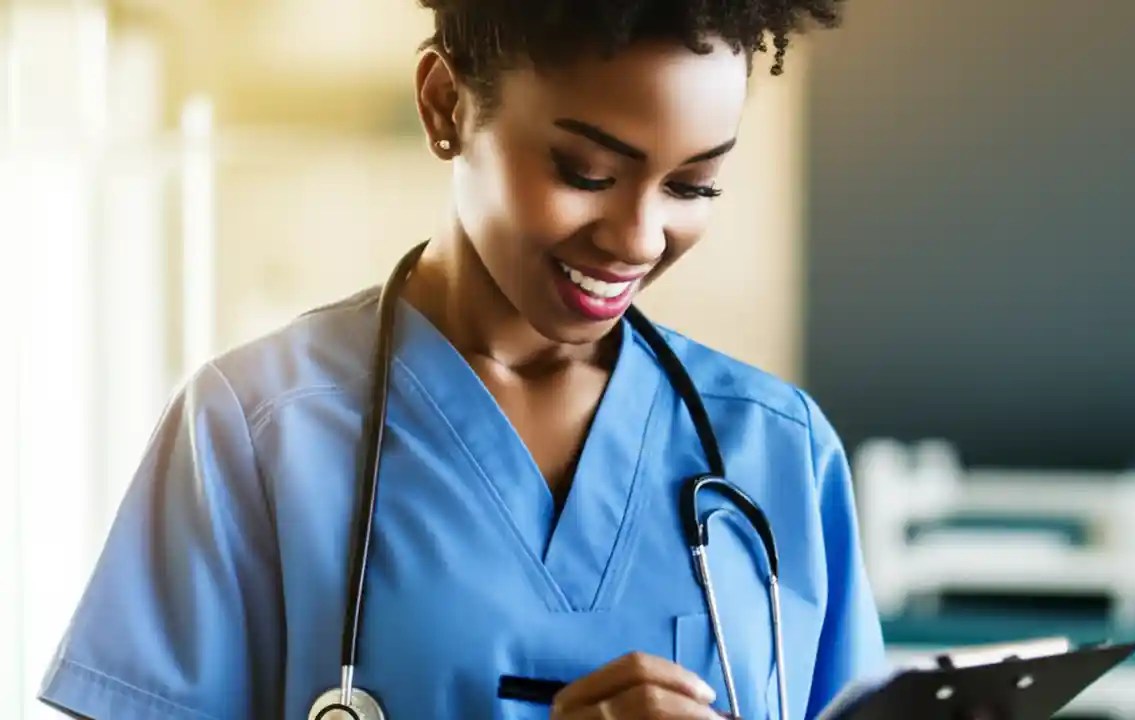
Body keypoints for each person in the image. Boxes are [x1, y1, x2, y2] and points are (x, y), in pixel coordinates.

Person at [38, 0, 885, 717]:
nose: (638, 239)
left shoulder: (778, 451)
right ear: (445, 105)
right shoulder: (253, 431)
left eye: (691, 186)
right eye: (586, 172)